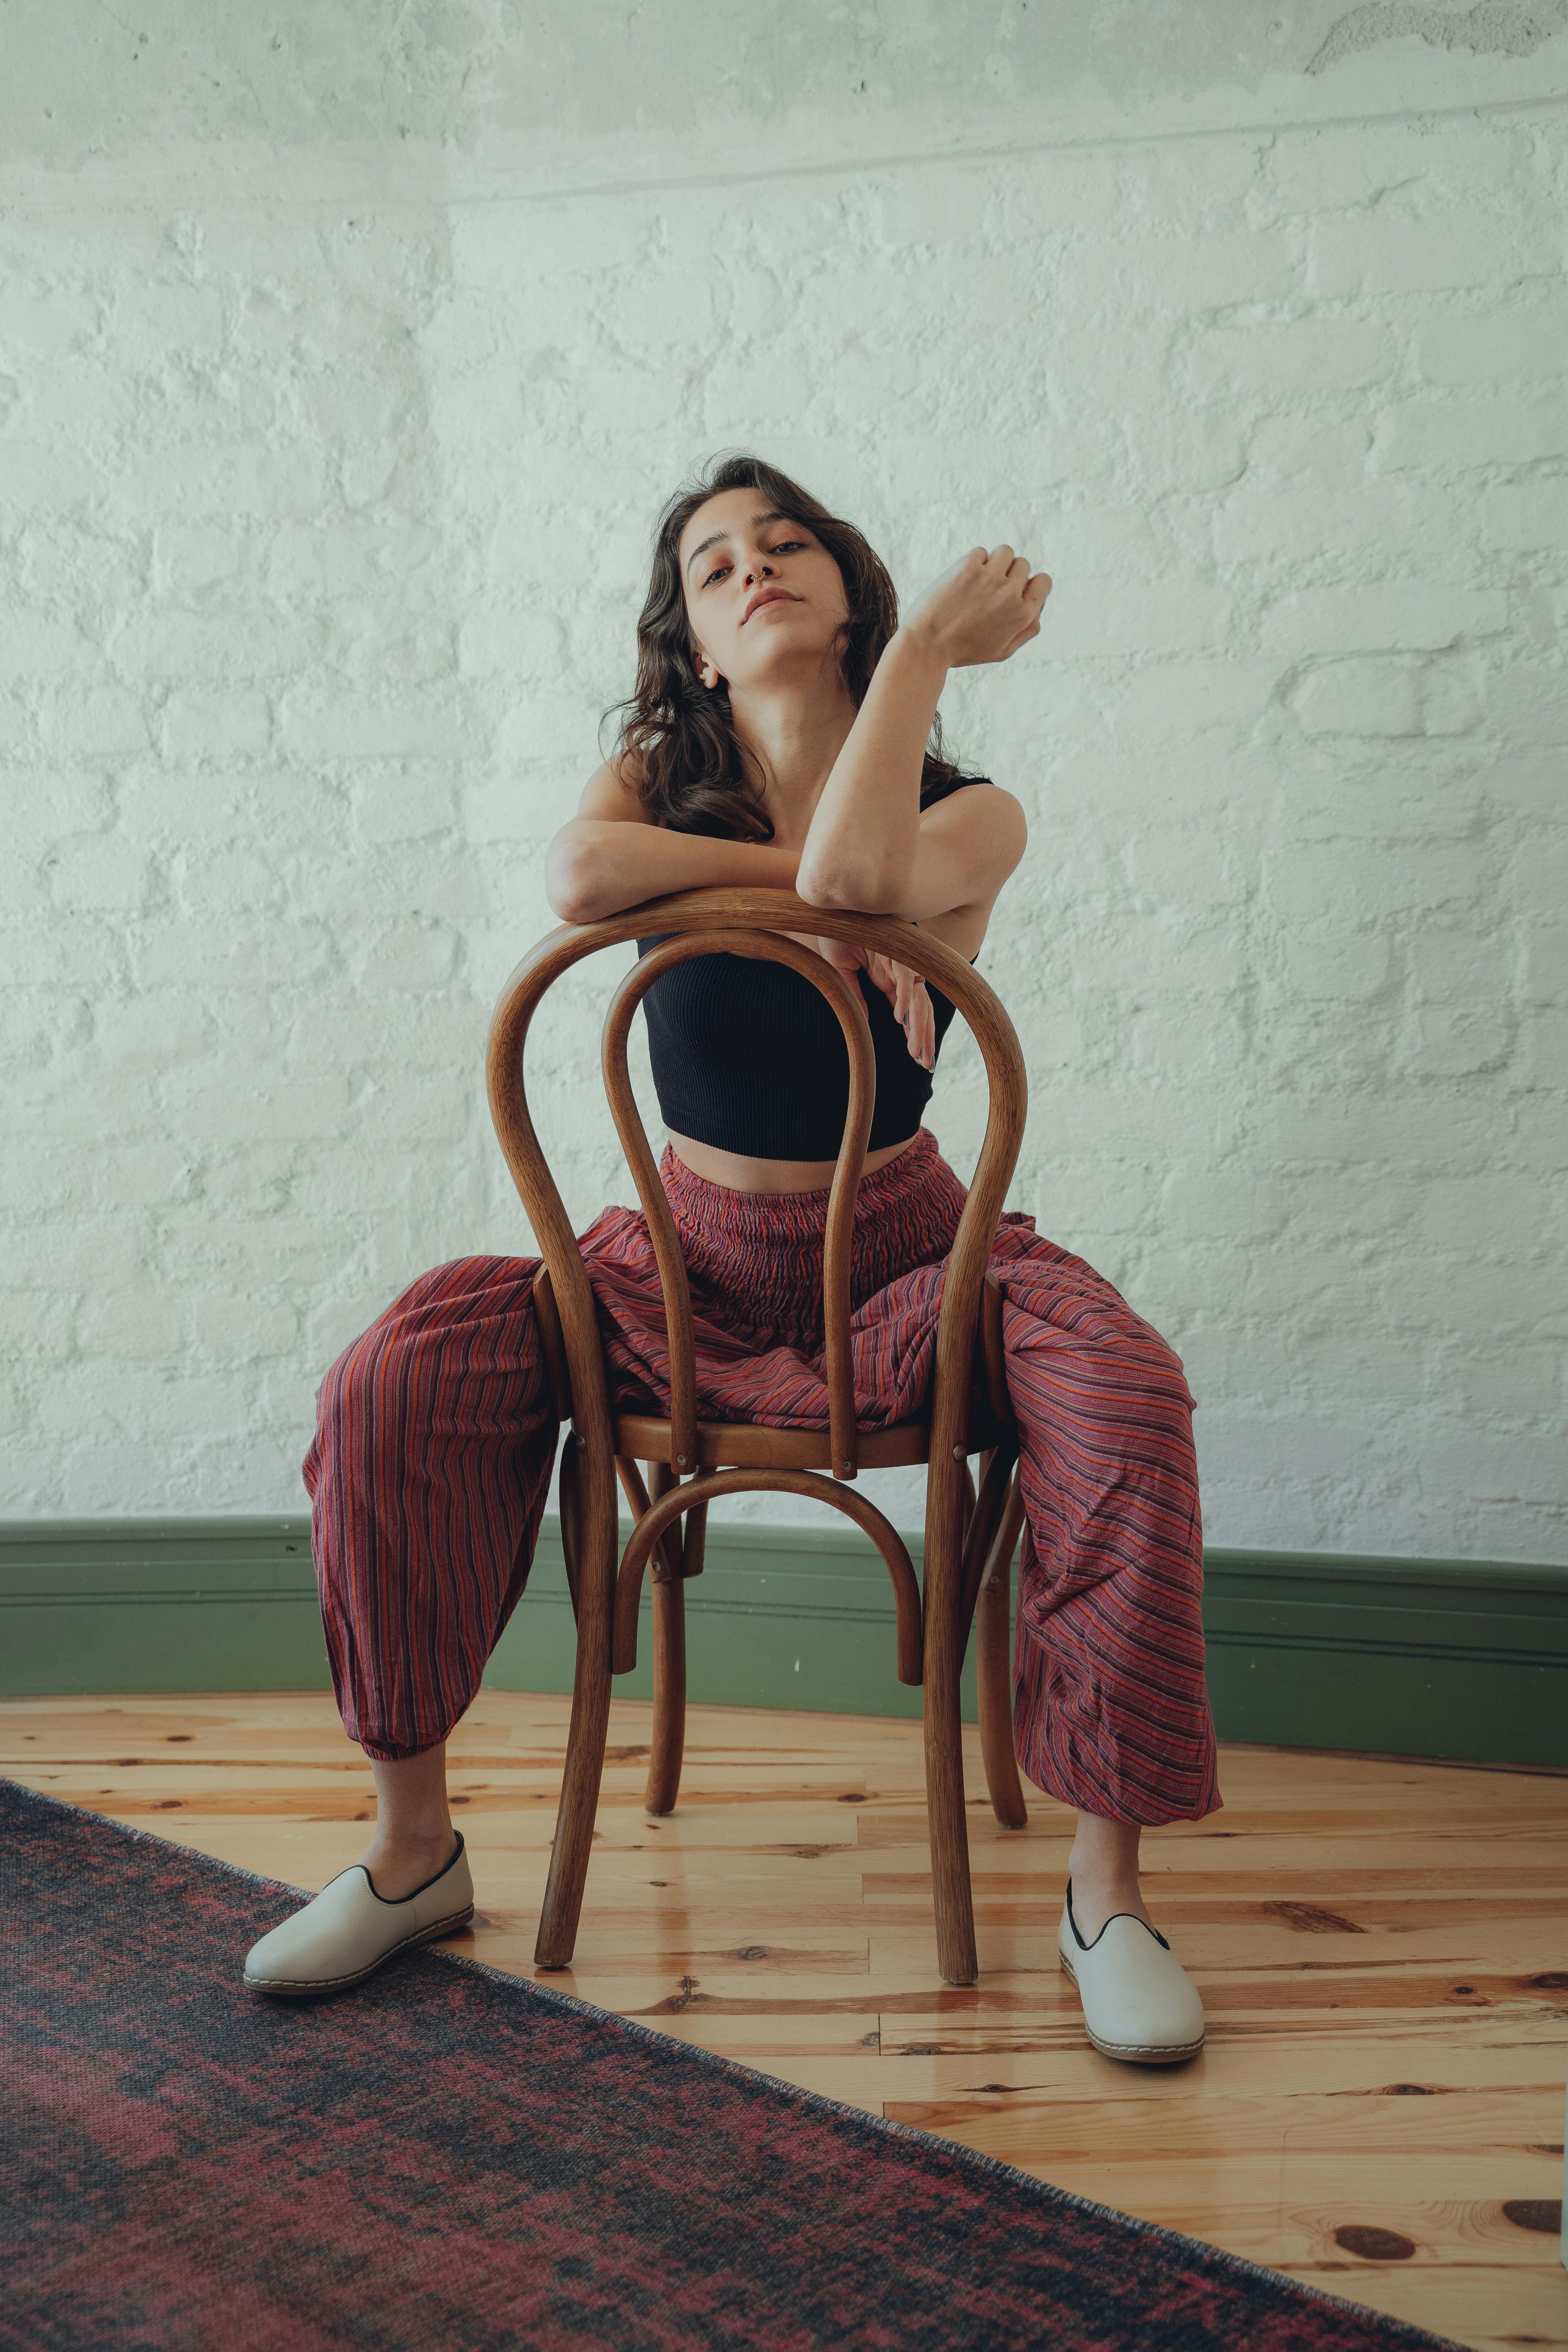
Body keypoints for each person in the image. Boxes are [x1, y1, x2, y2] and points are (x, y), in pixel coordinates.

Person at [244, 454, 1217, 2064]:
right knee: (394, 1376)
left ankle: (1107, 1893)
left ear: (852, 603)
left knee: (1125, 1389)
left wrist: (914, 697)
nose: (749, 565)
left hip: (912, 1260)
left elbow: (859, 875)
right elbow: (579, 881)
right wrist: (808, 899)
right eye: (710, 564)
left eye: (786, 545)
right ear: (694, 645)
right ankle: (412, 1853)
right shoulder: (650, 783)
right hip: (668, 1266)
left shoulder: (969, 813)